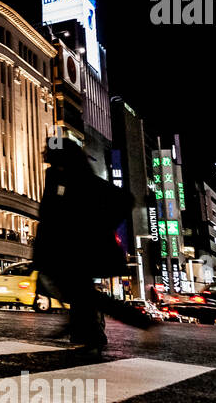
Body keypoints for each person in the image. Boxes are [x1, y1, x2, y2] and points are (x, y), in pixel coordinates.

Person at [32, 140, 153, 351]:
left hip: (75, 248)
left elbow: (123, 199)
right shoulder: (62, 173)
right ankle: (85, 329)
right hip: (69, 247)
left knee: (80, 292)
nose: (44, 153)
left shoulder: (73, 175)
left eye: (48, 150)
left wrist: (99, 227)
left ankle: (138, 322)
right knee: (79, 291)